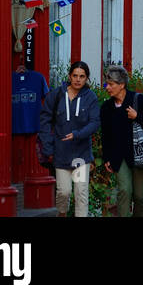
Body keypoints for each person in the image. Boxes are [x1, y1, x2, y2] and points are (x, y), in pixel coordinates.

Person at [38, 60, 100, 217]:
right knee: (64, 192)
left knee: (81, 193)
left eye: (82, 76)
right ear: (69, 76)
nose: (78, 79)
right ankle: (62, 213)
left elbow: (95, 122)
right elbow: (44, 120)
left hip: (81, 155)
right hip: (61, 153)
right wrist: (48, 146)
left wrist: (78, 134)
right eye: (75, 76)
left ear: (87, 79)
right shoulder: (57, 95)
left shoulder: (90, 97)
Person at [99, 65, 143, 217]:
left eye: (111, 84)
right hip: (119, 157)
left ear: (122, 85)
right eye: (107, 84)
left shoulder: (137, 100)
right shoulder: (106, 107)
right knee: (124, 190)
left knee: (140, 196)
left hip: (139, 155)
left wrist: (137, 116)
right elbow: (105, 134)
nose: (108, 87)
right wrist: (107, 157)